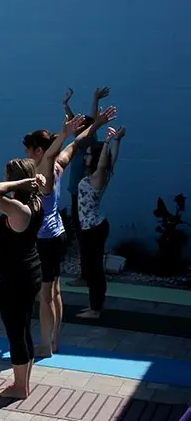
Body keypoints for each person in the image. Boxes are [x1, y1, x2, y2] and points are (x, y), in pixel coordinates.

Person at [23, 106, 116, 356]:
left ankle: (45, 345)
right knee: (55, 290)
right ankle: (53, 341)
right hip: (58, 235)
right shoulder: (58, 166)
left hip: (44, 239)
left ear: (39, 151)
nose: (26, 154)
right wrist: (96, 124)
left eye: (29, 150)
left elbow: (59, 149)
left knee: (45, 296)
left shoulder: (45, 170)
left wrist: (63, 135)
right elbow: (78, 143)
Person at [0, 160, 45, 400]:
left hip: (16, 278)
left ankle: (20, 387)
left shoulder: (19, 209)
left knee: (16, 332)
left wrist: (18, 183)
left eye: (7, 175)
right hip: (29, 272)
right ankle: (23, 384)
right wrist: (29, 183)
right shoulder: (36, 201)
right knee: (24, 328)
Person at [76, 126, 126, 319]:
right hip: (91, 227)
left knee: (94, 270)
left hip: (94, 229)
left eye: (89, 154)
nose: (85, 157)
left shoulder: (99, 176)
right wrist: (117, 141)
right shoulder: (94, 176)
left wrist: (106, 142)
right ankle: (95, 306)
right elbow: (113, 160)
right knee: (92, 269)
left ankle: (95, 309)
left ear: (96, 157)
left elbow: (105, 163)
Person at [63, 86, 110, 288]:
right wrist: (66, 105)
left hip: (81, 198)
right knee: (83, 237)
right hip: (78, 195)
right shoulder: (83, 141)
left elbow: (92, 123)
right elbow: (83, 122)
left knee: (84, 238)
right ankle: (88, 274)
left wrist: (95, 101)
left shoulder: (87, 142)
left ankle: (86, 275)